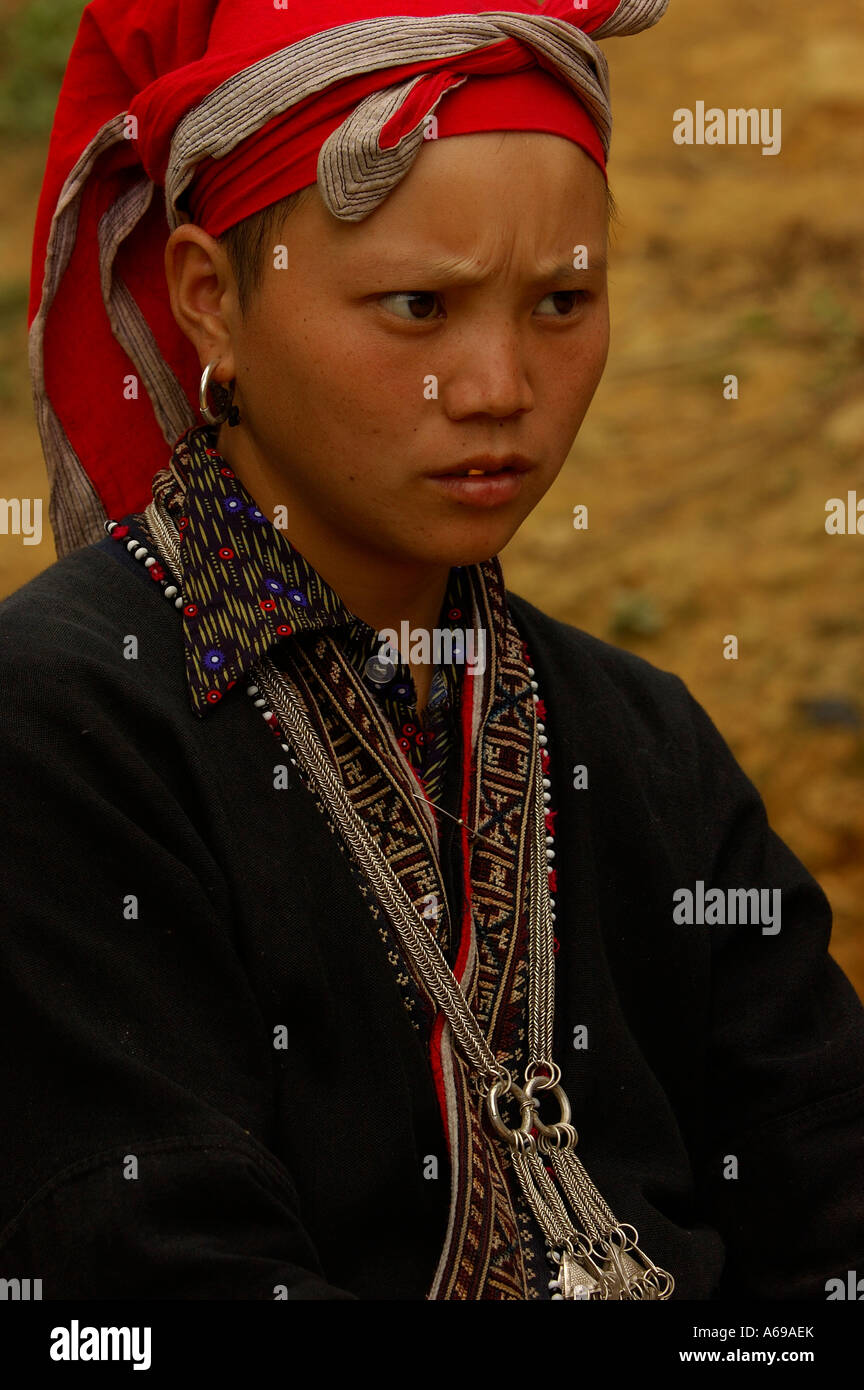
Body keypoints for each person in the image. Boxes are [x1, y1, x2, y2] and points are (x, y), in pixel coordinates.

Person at [0, 0, 862, 1302]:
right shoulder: (61, 731)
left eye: (563, 301)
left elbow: (829, 1189)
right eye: (418, 305)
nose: (500, 384)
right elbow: (140, 1282)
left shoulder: (645, 742)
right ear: (209, 300)